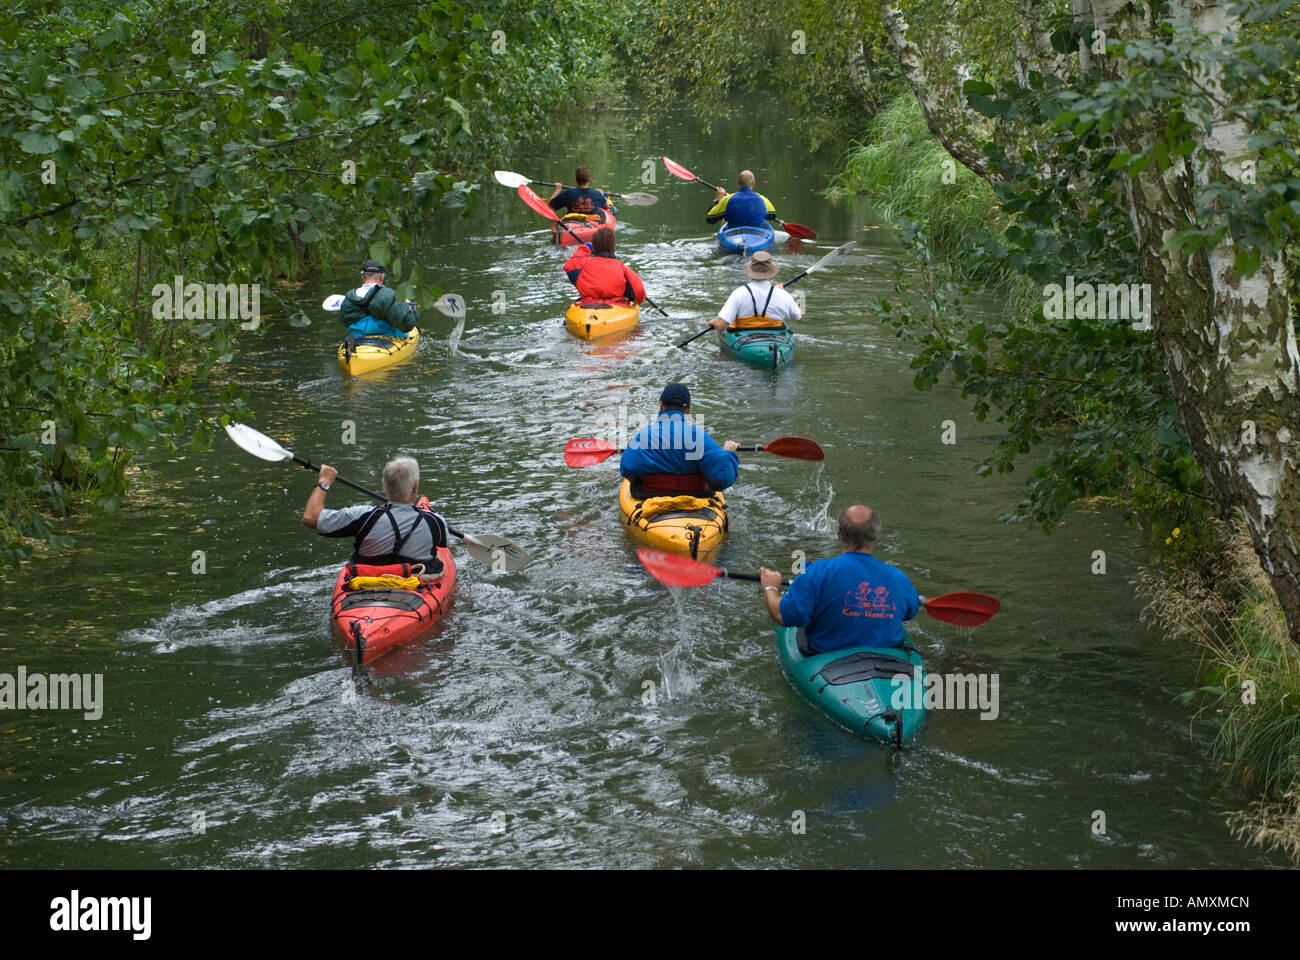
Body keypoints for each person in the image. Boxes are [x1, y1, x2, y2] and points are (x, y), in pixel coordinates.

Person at [759, 505, 925, 655]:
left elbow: (781, 615)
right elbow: (910, 610)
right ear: (875, 535)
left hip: (829, 657)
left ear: (839, 533)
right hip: (887, 656)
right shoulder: (899, 579)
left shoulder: (817, 573)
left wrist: (770, 587)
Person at [301, 457, 450, 573]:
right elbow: (444, 547)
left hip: (366, 585)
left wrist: (324, 481)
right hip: (416, 588)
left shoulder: (362, 516)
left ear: (383, 484)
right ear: (415, 486)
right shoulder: (435, 522)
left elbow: (310, 518)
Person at [620, 384, 740, 497]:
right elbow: (721, 480)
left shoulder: (642, 436)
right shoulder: (698, 436)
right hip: (696, 498)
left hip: (649, 496)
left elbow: (627, 469)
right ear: (688, 409)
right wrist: (728, 453)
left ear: (661, 405)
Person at [708, 251, 801, 332]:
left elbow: (721, 326)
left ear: (750, 273)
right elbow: (798, 317)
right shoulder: (783, 295)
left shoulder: (738, 293)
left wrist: (714, 322)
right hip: (776, 340)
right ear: (771, 273)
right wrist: (781, 292)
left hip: (743, 341)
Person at [338, 259, 419, 339]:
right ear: (382, 277)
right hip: (387, 338)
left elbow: (344, 320)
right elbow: (407, 324)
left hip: (357, 338)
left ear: (363, 277)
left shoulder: (349, 298)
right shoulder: (390, 295)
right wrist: (414, 312)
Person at [563, 227, 646, 305]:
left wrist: (586, 248)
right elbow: (639, 294)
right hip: (616, 307)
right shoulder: (623, 269)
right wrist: (633, 300)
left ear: (594, 247)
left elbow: (570, 264)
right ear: (613, 247)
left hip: (588, 305)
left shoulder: (583, 265)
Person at [705, 170, 777, 228]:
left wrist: (718, 200)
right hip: (757, 235)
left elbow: (710, 219)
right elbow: (772, 216)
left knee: (724, 217)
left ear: (738, 183)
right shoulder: (762, 199)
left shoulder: (727, 200)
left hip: (733, 235)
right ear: (754, 184)